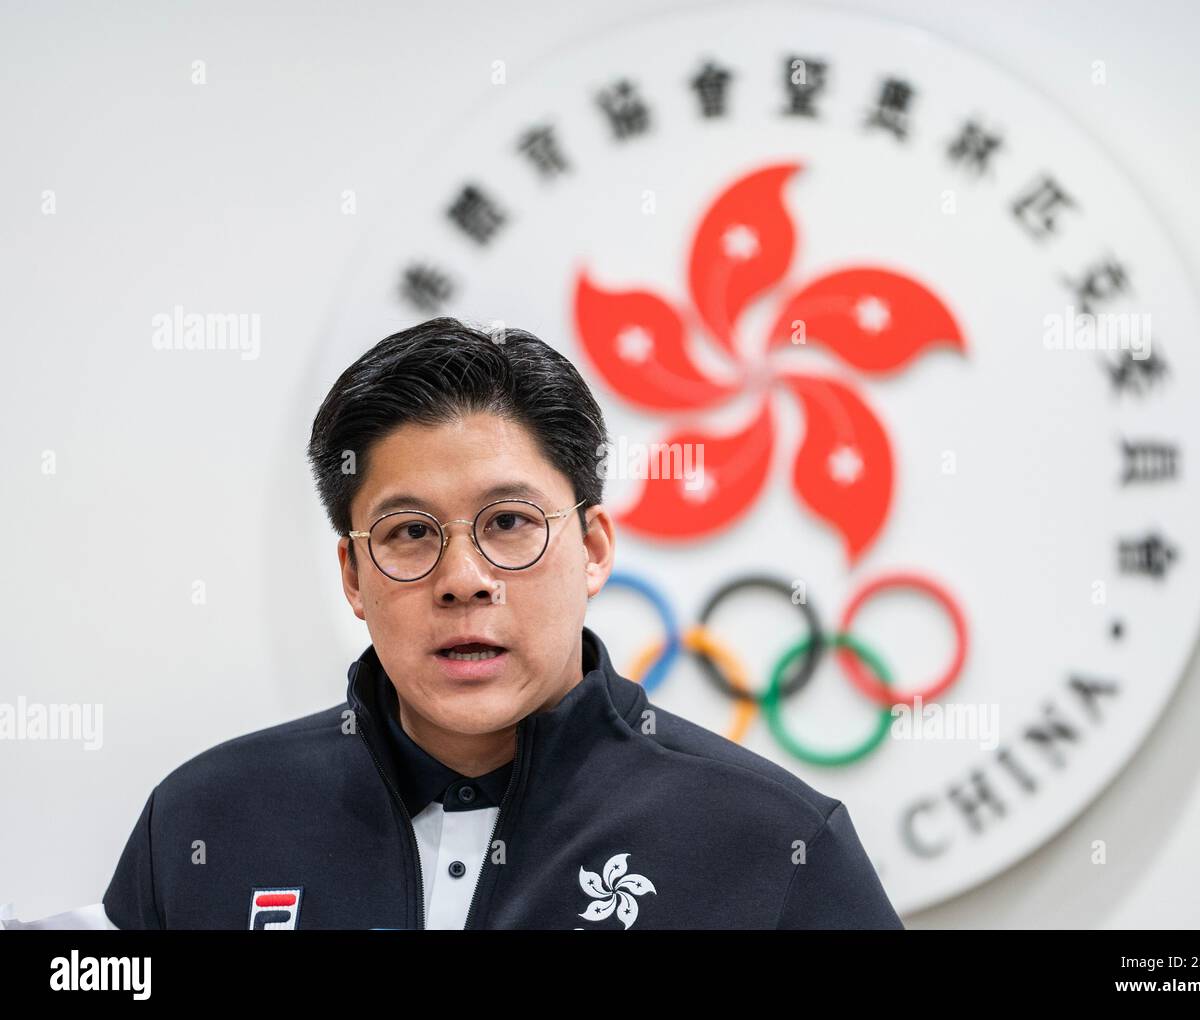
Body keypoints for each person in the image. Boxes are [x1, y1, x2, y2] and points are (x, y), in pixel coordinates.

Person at [19, 316, 904, 930]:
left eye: (509, 524)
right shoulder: (209, 817)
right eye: (409, 534)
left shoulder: (770, 843)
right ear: (354, 575)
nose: (464, 580)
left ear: (593, 549)